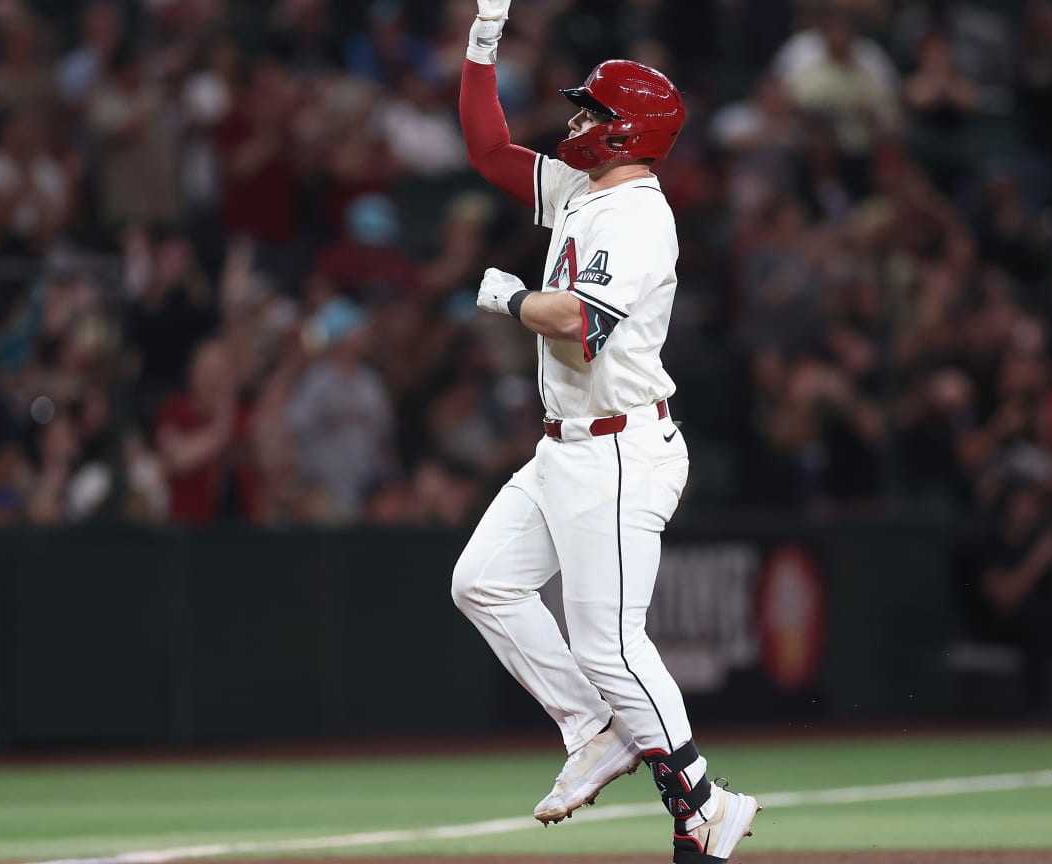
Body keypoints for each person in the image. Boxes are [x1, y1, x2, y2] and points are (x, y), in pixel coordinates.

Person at [447, 3, 761, 863]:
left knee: (609, 640)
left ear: (626, 131)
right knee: (483, 583)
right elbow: (486, 149)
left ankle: (703, 806)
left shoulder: (638, 219)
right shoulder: (588, 190)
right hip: (566, 445)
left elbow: (578, 324)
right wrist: (483, 38)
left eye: (591, 111)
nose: (576, 121)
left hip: (620, 448)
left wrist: (506, 296)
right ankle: (593, 728)